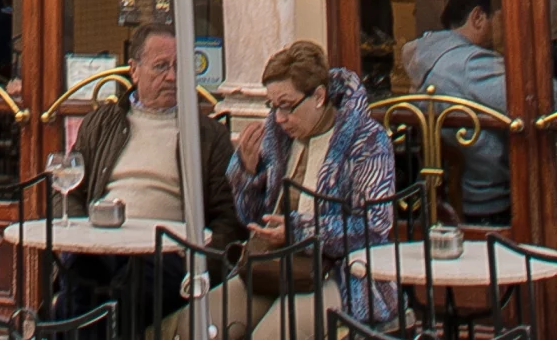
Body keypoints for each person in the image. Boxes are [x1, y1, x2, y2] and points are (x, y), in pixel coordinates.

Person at [62, 27, 241, 329]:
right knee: (80, 272)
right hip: (104, 243)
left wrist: (199, 261)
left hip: (169, 253)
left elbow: (227, 216)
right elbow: (68, 191)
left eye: (179, 67)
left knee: (131, 283)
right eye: (161, 66)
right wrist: (80, 236)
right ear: (134, 70)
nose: (172, 76)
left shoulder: (208, 135)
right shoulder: (102, 124)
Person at [226, 39, 396, 323]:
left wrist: (299, 231)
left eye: (287, 106)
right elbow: (253, 219)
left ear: (319, 96)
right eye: (273, 106)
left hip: (343, 275)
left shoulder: (366, 140)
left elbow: (373, 226)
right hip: (272, 266)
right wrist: (246, 172)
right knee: (203, 322)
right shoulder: (277, 136)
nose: (279, 117)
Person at [402, 0, 511, 225]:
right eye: (502, 19)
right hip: (487, 198)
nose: (505, 29)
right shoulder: (469, 64)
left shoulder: (427, 55)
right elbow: (537, 99)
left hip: (442, 194)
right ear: (478, 17)